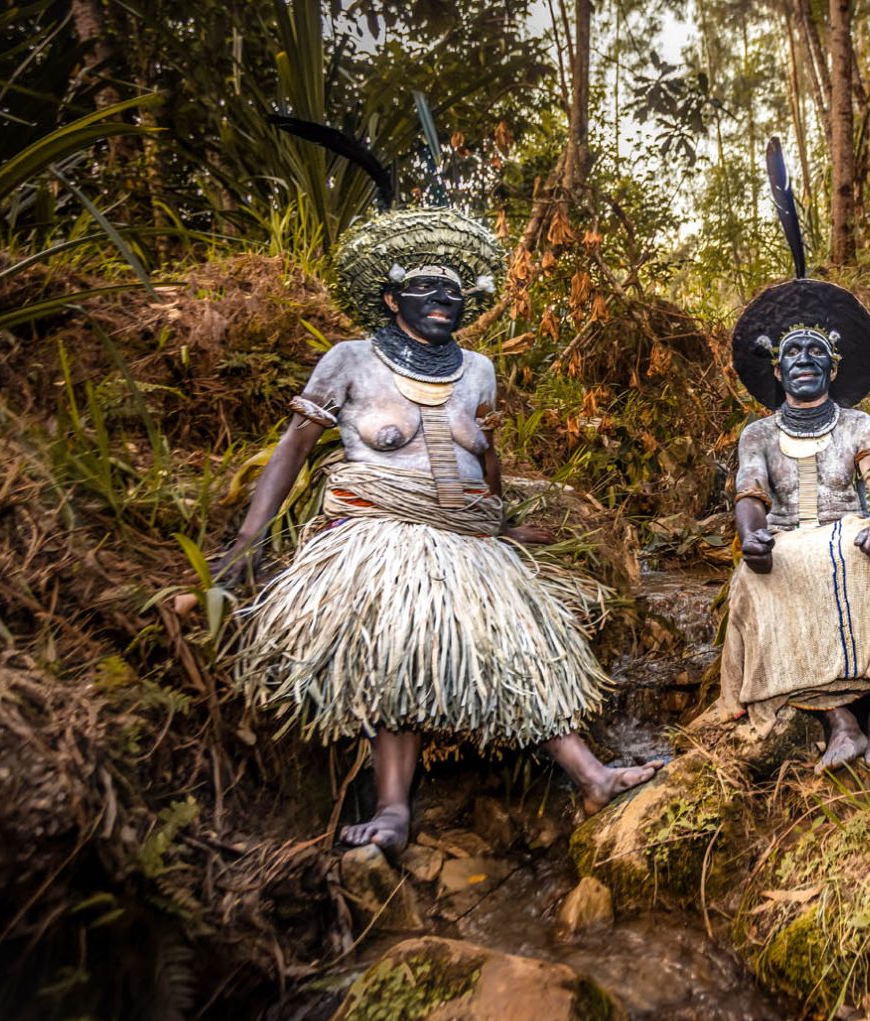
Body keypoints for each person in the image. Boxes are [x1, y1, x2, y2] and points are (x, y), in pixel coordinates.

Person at [211, 201, 656, 855]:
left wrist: (496, 526)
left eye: (452, 290)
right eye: (425, 288)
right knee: (399, 650)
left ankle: (593, 776)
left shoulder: (478, 370)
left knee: (524, 647)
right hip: (379, 536)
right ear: (391, 299)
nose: (442, 299)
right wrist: (250, 540)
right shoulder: (350, 361)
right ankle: (393, 811)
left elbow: (487, 457)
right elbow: (294, 448)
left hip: (468, 544)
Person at [717, 140, 870, 771]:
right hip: (789, 538)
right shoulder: (757, 435)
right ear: (778, 371)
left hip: (850, 530)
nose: (806, 362)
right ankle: (840, 722)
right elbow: (749, 497)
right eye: (794, 354)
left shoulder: (858, 422)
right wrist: (752, 539)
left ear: (834, 366)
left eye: (817, 353)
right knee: (773, 576)